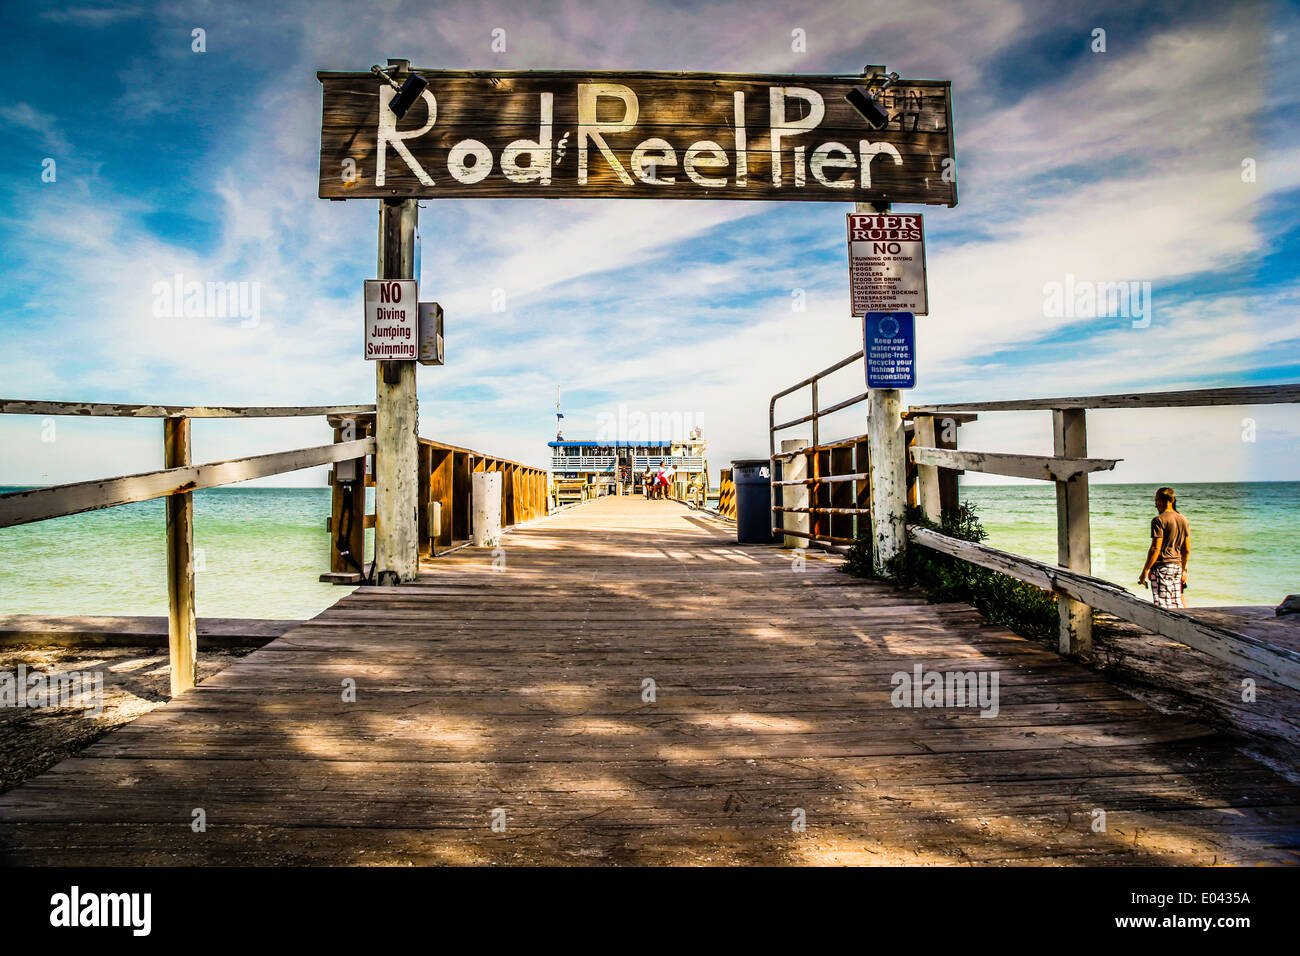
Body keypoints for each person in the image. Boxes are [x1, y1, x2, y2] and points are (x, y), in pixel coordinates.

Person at [1138, 486, 1190, 609]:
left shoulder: (1159, 520)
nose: (1155, 504)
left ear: (1160, 501)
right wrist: (1184, 569)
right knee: (1178, 605)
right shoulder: (1183, 519)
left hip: (1162, 568)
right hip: (1177, 567)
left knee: (1162, 607)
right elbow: (1186, 549)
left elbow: (1156, 548)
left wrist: (1145, 570)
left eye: (1156, 500)